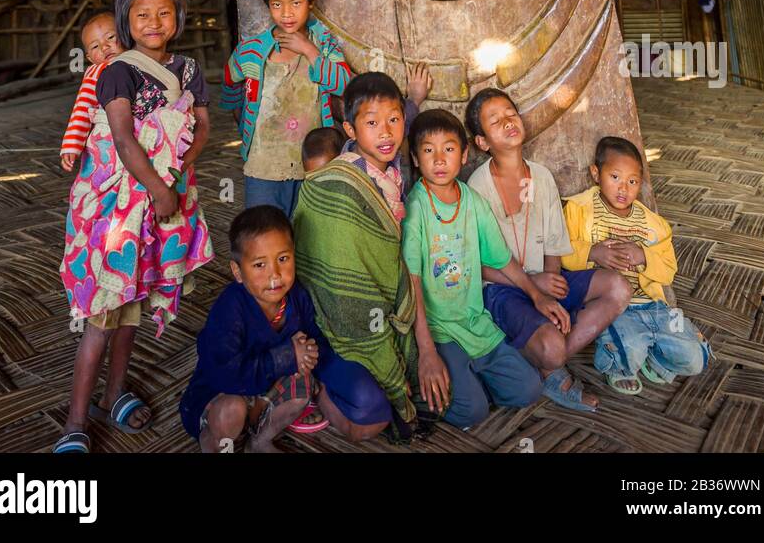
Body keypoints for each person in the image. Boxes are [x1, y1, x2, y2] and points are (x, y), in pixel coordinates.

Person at [56, 0, 214, 454]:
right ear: (127, 21)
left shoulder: (188, 70)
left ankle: (114, 392)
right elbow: (122, 137)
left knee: (133, 308)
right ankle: (75, 421)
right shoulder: (118, 70)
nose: (153, 21)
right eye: (141, 14)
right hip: (119, 212)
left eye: (163, 12)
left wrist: (181, 165)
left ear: (178, 17)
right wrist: (160, 189)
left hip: (163, 203)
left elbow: (202, 124)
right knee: (105, 313)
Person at [465, 88, 631, 413]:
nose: (508, 121)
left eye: (511, 113)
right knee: (553, 350)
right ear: (482, 142)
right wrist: (533, 285)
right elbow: (475, 264)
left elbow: (555, 243)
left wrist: (551, 286)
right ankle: (551, 365)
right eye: (495, 121)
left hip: (545, 282)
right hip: (502, 289)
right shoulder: (476, 188)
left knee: (618, 287)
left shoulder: (541, 176)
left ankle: (542, 360)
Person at [180, 206, 391, 452]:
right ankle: (213, 444)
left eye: (283, 259)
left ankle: (259, 441)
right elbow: (225, 374)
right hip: (220, 396)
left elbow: (315, 337)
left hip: (263, 390)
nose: (275, 275)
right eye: (259, 265)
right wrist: (287, 356)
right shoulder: (230, 309)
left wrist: (308, 355)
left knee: (303, 385)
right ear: (237, 271)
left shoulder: (296, 298)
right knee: (232, 411)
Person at [294, 71, 428, 438]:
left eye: (394, 120)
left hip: (384, 300)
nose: (386, 132)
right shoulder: (340, 183)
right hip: (335, 316)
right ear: (350, 130)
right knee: (371, 413)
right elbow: (334, 260)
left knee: (418, 380)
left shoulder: (391, 172)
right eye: (372, 123)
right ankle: (314, 386)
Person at [402, 109, 543, 429]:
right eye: (428, 150)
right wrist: (425, 351)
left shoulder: (472, 202)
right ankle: (430, 379)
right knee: (472, 411)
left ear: (464, 155)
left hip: (475, 322)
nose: (439, 159)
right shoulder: (415, 208)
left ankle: (466, 379)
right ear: (414, 158)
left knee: (528, 388)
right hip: (437, 332)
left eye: (449, 149)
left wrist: (536, 293)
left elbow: (501, 259)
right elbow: (412, 283)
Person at [563, 136, 711, 396]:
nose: (624, 189)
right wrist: (593, 252)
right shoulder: (579, 209)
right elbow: (560, 251)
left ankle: (657, 359)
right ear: (596, 173)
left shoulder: (653, 223)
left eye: (632, 181)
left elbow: (668, 269)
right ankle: (623, 366)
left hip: (656, 307)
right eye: (615, 177)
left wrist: (644, 256)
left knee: (696, 358)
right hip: (614, 309)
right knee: (628, 350)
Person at [221, 0, 352, 217]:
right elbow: (229, 84)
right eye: (277, 5)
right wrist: (245, 125)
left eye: (296, 3)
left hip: (313, 165)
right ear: (268, 5)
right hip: (263, 166)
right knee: (265, 232)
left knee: (308, 237)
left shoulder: (323, 46)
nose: (287, 13)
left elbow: (344, 84)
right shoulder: (251, 51)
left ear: (311, 2)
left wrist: (309, 50)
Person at [60, 12, 122, 171]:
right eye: (95, 46)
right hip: (109, 138)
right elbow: (82, 109)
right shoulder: (96, 73)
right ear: (90, 58)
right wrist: (71, 145)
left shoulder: (140, 60)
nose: (104, 47)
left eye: (110, 37)